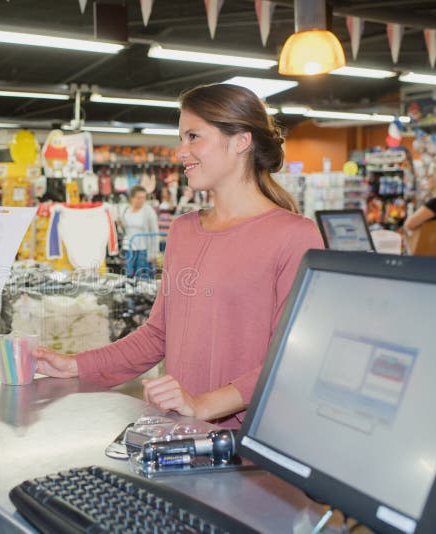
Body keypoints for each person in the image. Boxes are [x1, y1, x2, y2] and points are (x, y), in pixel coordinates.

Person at [34, 83, 324, 427]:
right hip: (180, 439)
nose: (180, 151)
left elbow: (293, 359)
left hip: (249, 450)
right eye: (181, 138)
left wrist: (202, 405)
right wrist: (76, 365)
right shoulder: (184, 231)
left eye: (193, 137)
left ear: (241, 141)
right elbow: (158, 336)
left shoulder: (294, 235)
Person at [119, 185, 159, 278]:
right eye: (139, 198)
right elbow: (124, 230)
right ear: (131, 198)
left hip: (143, 249)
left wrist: (154, 253)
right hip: (128, 248)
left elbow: (155, 233)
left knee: (142, 277)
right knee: (129, 276)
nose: (142, 200)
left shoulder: (148, 211)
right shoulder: (125, 210)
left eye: (144, 197)